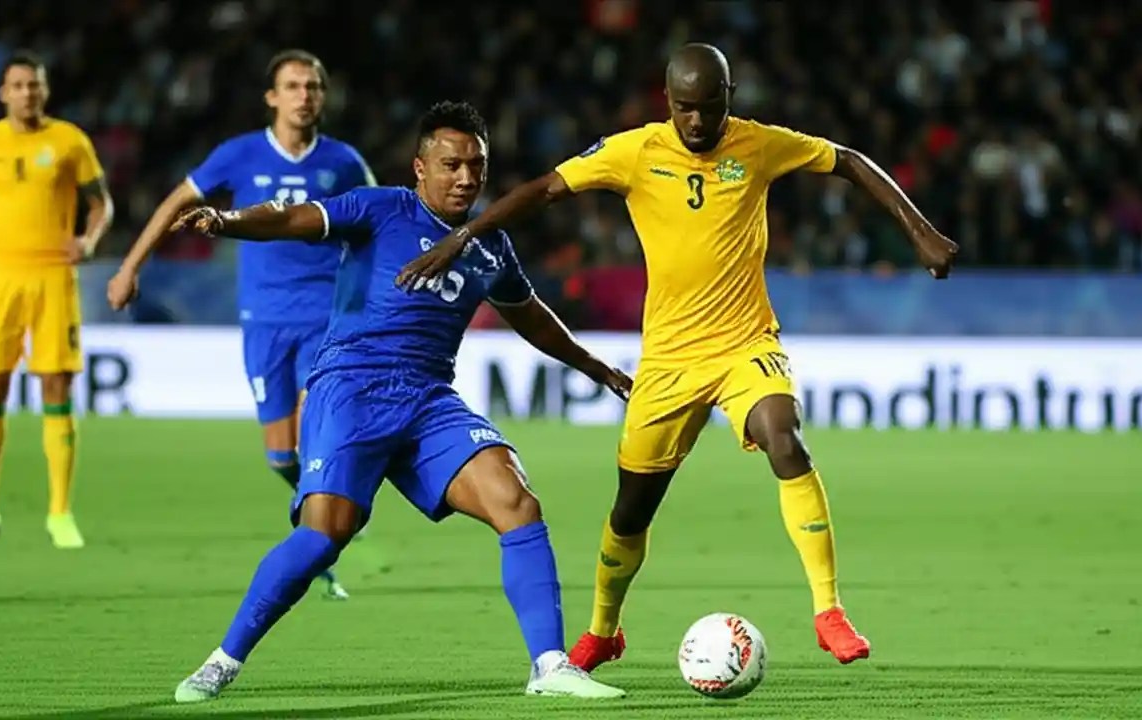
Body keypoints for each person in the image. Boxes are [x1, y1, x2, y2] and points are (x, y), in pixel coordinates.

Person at [396, 43, 960, 670]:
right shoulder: (634, 151)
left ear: (730, 99)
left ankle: (829, 610)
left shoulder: (760, 143)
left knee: (784, 436)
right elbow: (545, 189)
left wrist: (921, 230)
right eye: (686, 108)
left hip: (747, 345)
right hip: (666, 364)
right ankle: (605, 630)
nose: (697, 121)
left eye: (710, 107)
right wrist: (465, 236)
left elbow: (850, 161)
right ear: (668, 101)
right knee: (631, 510)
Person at [167, 101, 633, 702]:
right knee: (322, 537)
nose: (465, 178)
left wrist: (598, 369)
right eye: (450, 164)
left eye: (476, 166)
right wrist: (225, 221)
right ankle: (222, 660)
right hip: (351, 389)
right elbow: (289, 219)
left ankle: (550, 665)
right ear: (419, 167)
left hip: (428, 399)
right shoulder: (380, 208)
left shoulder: (490, 245)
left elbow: (534, 321)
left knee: (516, 501)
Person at [107, 49, 377, 599]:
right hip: (264, 321)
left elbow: (376, 221)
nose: (304, 95)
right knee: (282, 455)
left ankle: (321, 536)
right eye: (294, 86)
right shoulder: (239, 155)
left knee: (313, 434)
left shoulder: (344, 162)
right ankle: (313, 517)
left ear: (323, 96)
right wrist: (130, 265)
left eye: (313, 86)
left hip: (327, 321)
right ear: (272, 97)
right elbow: (175, 203)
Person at [0, 51, 114, 550]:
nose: (27, 93)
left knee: (56, 387)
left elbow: (102, 203)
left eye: (34, 85)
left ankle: (60, 512)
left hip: (53, 276)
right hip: (0, 275)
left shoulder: (69, 141)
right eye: (18, 85)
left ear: (45, 90)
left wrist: (87, 242)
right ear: (3, 93)